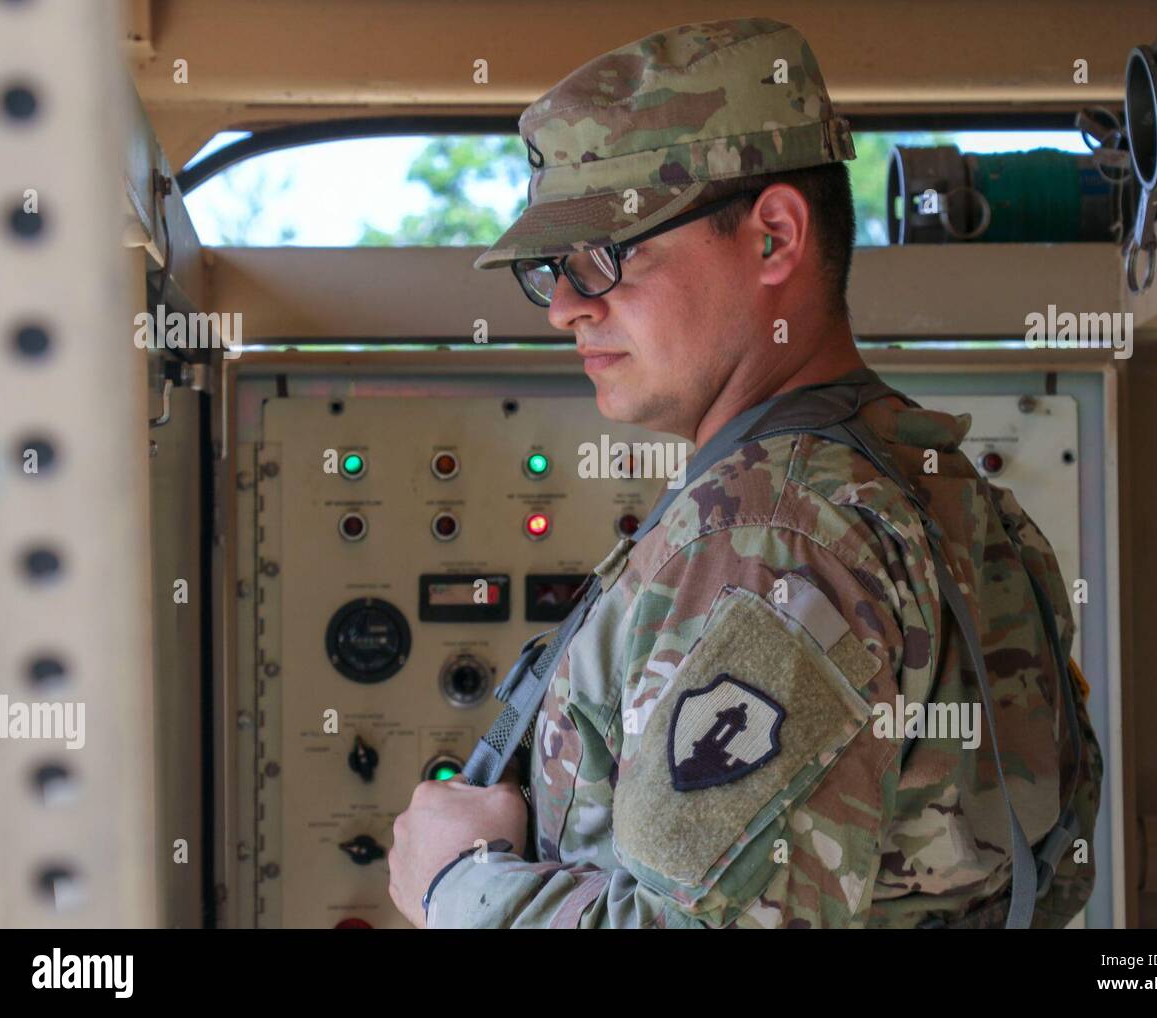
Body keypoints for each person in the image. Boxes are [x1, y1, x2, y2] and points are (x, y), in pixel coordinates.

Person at [387, 16, 1103, 929]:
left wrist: (462, 888)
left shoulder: (775, 533)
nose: (566, 305)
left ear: (773, 237)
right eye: (549, 272)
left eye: (603, 256)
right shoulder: (925, 481)